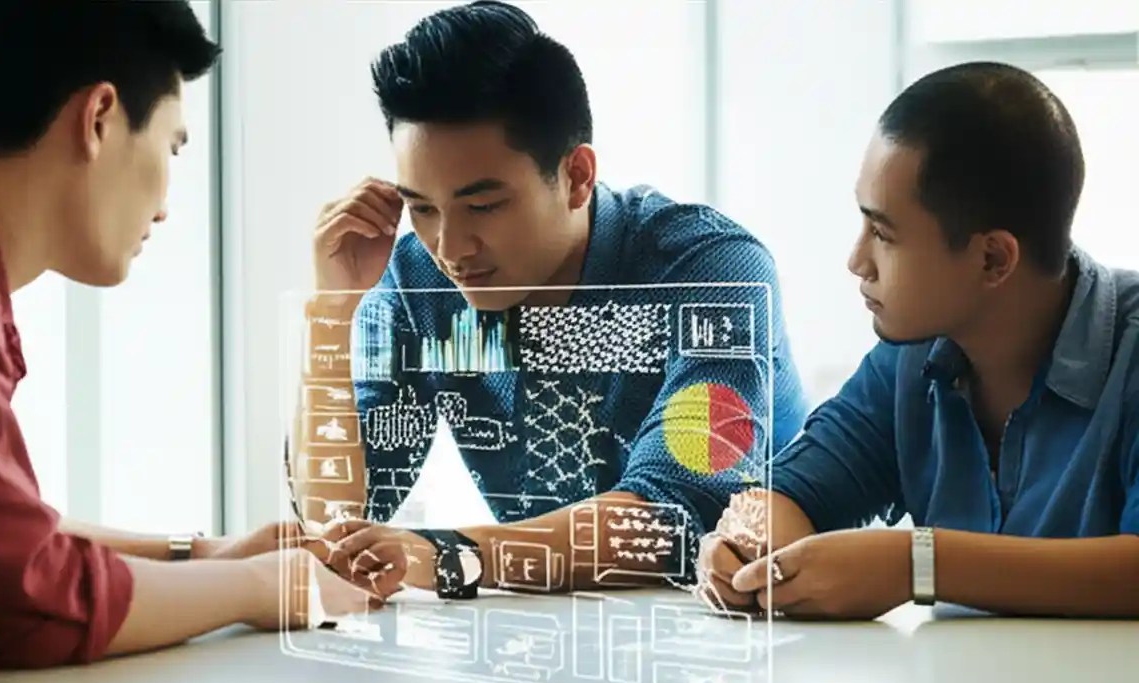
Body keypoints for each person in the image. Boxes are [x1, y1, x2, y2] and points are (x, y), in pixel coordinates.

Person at [0, 1, 388, 683]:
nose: (167, 206)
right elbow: (16, 602)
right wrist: (260, 586)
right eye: (172, 148)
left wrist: (203, 555)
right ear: (100, 117)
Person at [297, 1, 809, 599]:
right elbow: (342, 512)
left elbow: (672, 516)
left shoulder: (712, 270)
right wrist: (331, 316)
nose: (449, 247)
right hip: (551, 630)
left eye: (483, 206)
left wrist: (452, 554)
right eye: (423, 207)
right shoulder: (416, 278)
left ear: (578, 176)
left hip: (757, 630)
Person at [699, 61, 1139, 620]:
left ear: (993, 258)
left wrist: (919, 566)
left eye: (883, 233)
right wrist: (745, 541)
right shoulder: (910, 359)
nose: (857, 260)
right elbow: (793, 490)